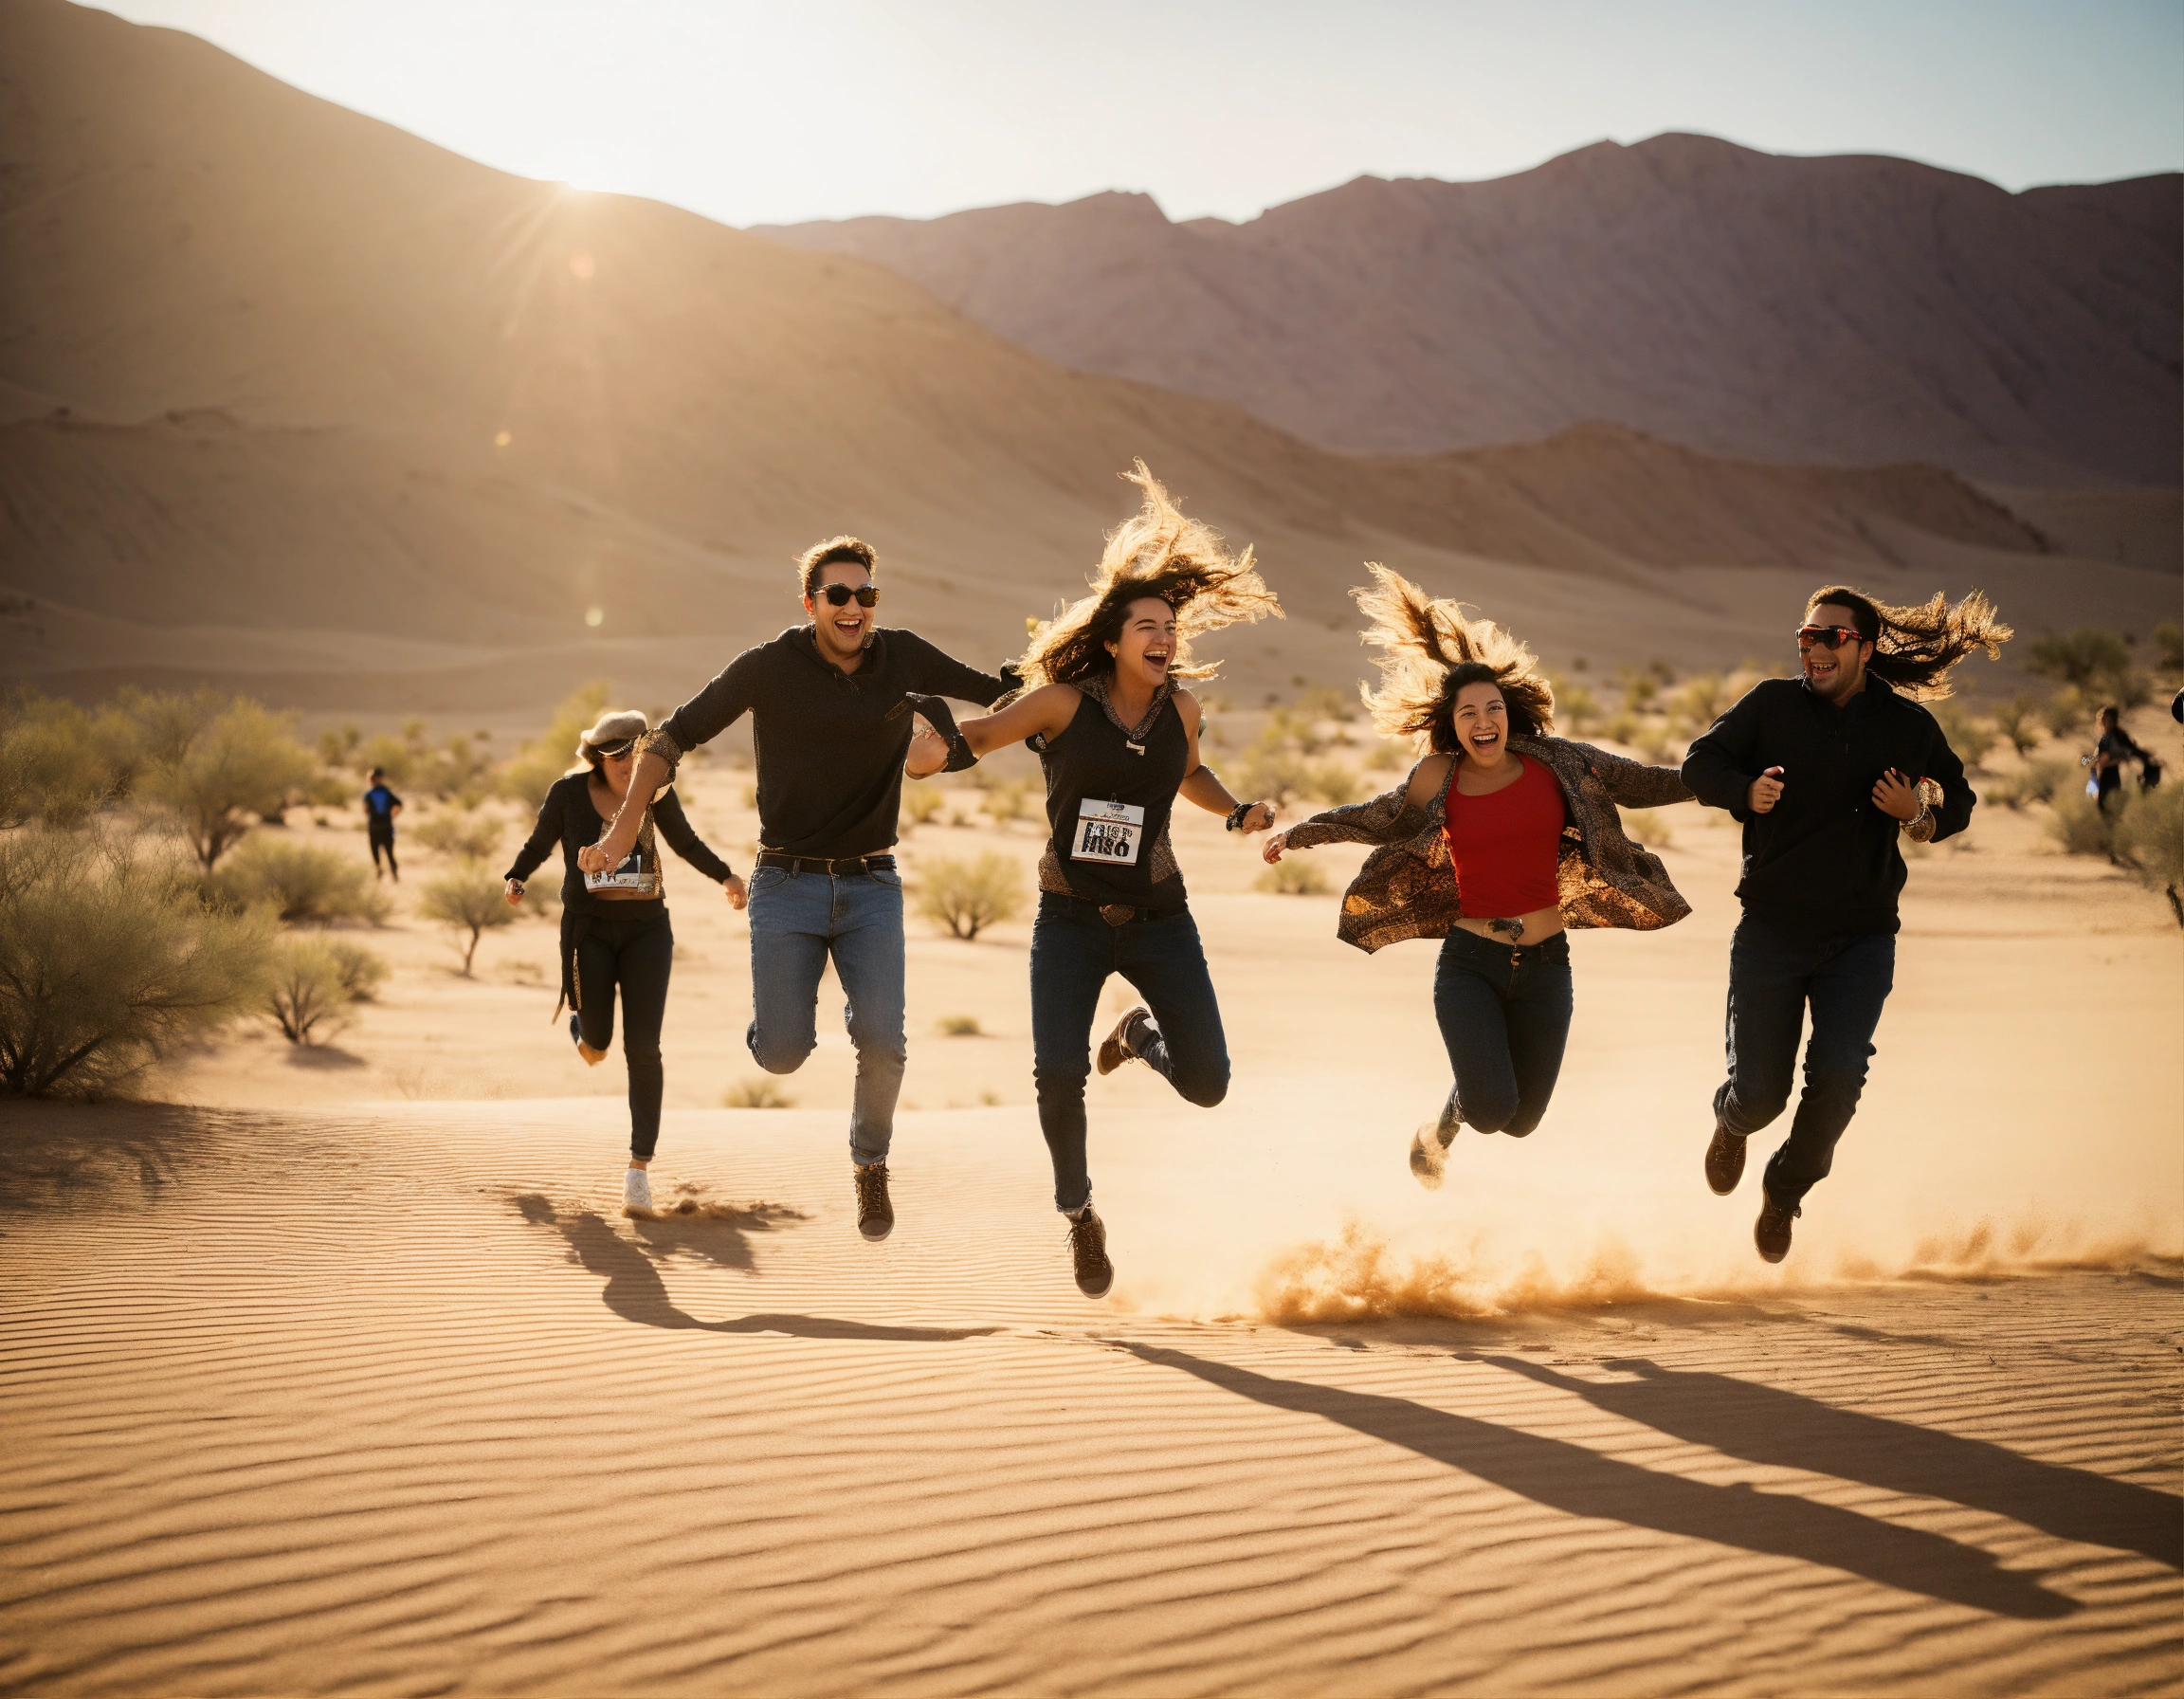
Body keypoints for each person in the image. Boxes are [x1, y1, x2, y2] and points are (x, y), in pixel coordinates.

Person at [904, 465, 1280, 1299]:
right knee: (1057, 1076)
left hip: (1158, 916)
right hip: (1069, 919)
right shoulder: (1062, 704)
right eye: (1147, 626)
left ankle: (1139, 1036)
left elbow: (1191, 772)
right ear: (1113, 640)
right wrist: (929, 751)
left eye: (1171, 629)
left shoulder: (1180, 712)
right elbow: (978, 736)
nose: (1164, 639)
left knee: (1210, 1083)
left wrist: (1236, 811)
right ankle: (1079, 1216)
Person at [582, 537, 1011, 1241]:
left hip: (872, 883)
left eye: (865, 595)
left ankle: (869, 1165)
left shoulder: (902, 656)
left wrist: (949, 753)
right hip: (786, 883)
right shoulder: (768, 667)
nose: (853, 608)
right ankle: (781, 1015)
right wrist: (626, 828)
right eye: (837, 595)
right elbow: (670, 738)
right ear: (809, 602)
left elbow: (1004, 695)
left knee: (885, 1042)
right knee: (781, 1051)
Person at [1260, 565, 1694, 1187]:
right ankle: (1441, 1133)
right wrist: (1301, 832)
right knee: (1491, 1110)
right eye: (1469, 712)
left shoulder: (1558, 763)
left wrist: (1723, 786)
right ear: (1453, 724)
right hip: (1471, 966)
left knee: (1521, 1122)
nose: (1484, 720)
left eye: (1494, 708)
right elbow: (1374, 818)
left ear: (1510, 714)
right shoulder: (1439, 778)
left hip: (1548, 968)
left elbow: (1644, 781)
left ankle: (1454, 1111)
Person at [1684, 585, 2009, 1263]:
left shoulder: (1907, 728)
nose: (1814, 648)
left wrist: (1916, 816)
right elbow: (1700, 762)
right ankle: (1732, 1118)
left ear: (1864, 647)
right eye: (1807, 636)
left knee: (1840, 1075)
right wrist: (1744, 791)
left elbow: (1960, 800)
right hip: (1773, 930)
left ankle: (1786, 1189)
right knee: (1761, 1095)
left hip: (1861, 938)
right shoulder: (1772, 706)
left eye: (1830, 636)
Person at [505, 710, 739, 1215]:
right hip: (588, 931)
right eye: (617, 757)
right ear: (597, 757)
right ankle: (583, 1030)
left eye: (638, 756)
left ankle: (638, 1171)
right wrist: (518, 875)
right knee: (598, 1043)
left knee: (644, 1048)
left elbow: (686, 842)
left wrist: (726, 877)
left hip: (647, 933)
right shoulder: (566, 795)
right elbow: (540, 842)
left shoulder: (655, 795)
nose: (629, 767)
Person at [2089, 706, 2158, 812]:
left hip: (2111, 773)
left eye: (2105, 719)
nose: (2102, 722)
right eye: (2101, 719)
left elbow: (2129, 751)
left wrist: (2088, 760)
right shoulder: (2115, 735)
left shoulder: (2114, 736)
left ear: (2112, 720)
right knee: (2110, 806)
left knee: (2106, 807)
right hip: (2111, 773)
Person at [362, 767, 402, 881]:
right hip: (383, 827)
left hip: (378, 827)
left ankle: (385, 875)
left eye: (372, 778)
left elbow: (365, 809)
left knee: (380, 853)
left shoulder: (372, 793)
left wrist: (391, 815)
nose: (371, 780)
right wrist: (392, 815)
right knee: (384, 853)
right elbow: (398, 804)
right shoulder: (383, 792)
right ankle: (388, 875)